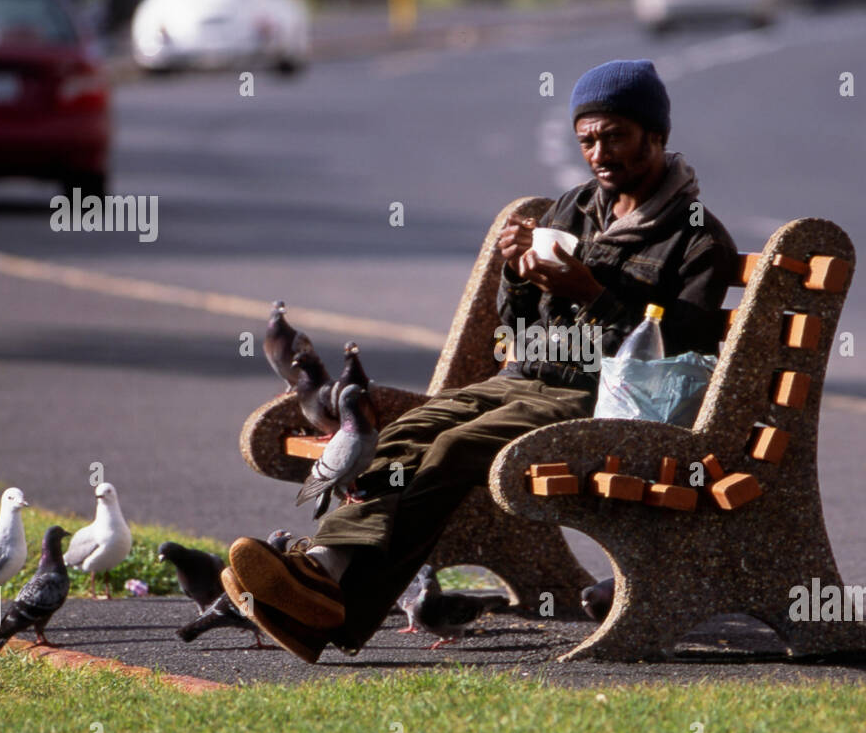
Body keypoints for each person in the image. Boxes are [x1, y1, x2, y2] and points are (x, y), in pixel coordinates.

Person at [222, 59, 739, 662]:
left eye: (615, 135)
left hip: (602, 399)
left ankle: (328, 600)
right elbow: (517, 329)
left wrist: (591, 294)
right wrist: (516, 274)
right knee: (408, 431)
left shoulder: (698, 238)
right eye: (587, 140)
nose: (599, 152)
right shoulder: (573, 209)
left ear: (656, 134)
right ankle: (323, 569)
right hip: (525, 377)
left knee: (454, 449)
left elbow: (682, 354)